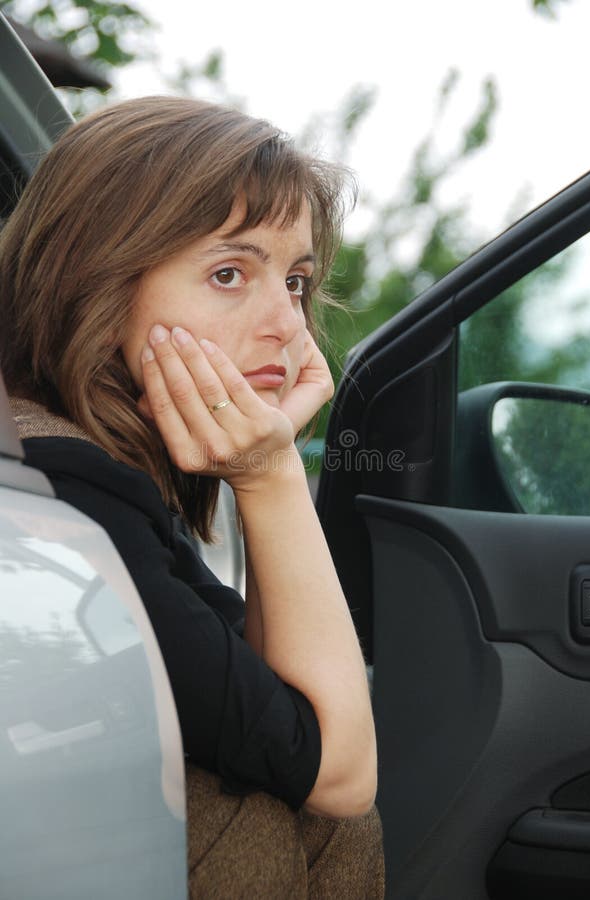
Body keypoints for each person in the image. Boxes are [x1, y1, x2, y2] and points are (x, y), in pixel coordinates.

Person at [0, 96, 383, 898]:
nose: (288, 322)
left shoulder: (66, 466)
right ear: (96, 288)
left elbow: (277, 703)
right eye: (228, 273)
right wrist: (269, 476)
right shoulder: (63, 495)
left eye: (297, 278)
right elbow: (338, 771)